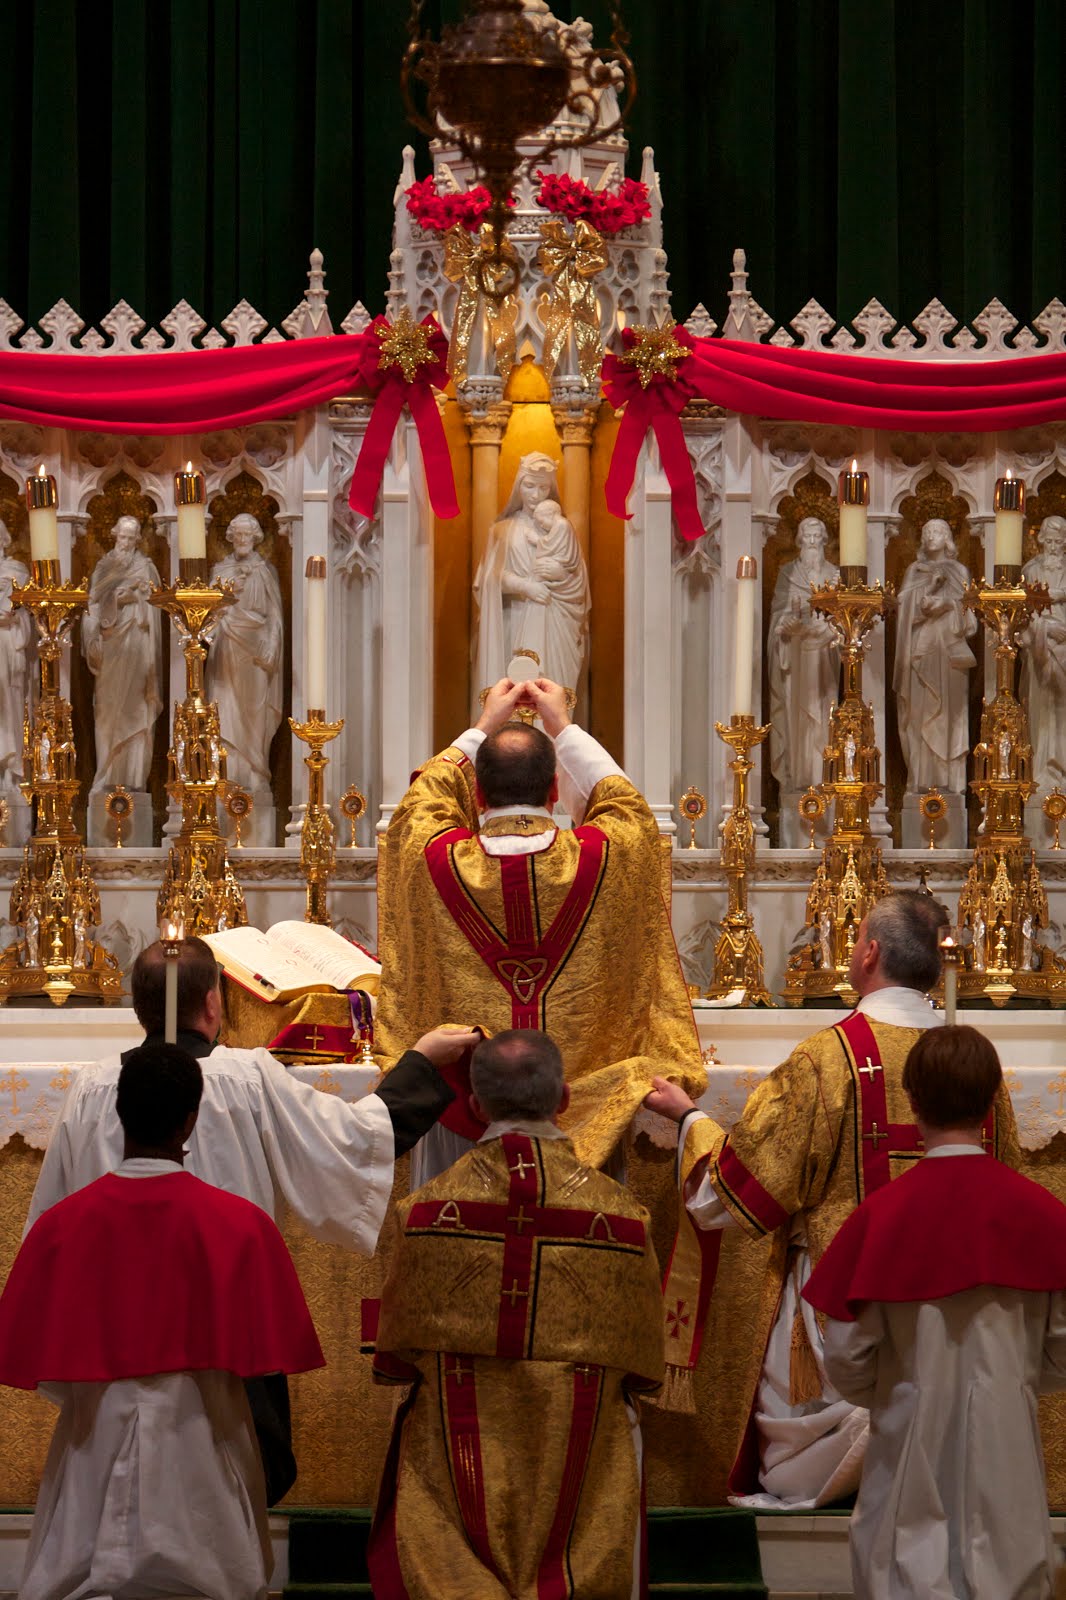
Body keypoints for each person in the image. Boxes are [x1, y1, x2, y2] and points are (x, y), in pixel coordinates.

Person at [28, 934, 476, 1503]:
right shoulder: (247, 1076)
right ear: (214, 1004)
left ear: (138, 1006)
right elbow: (356, 1140)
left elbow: (52, 1225)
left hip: (114, 1331)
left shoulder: (92, 1087)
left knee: (115, 1482)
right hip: (225, 1323)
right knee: (224, 1485)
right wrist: (422, 1062)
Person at [644, 889, 1021, 1509]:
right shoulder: (977, 1065)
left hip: (846, 1312)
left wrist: (690, 1121)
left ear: (870, 951)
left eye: (855, 939)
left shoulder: (828, 1059)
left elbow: (734, 1195)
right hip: (959, 1309)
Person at [0, 1044, 324, 1600]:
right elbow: (271, 1352)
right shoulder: (241, 1226)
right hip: (203, 1430)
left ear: (119, 1115)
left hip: (93, 1435)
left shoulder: (60, 1226)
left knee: (81, 1575)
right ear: (189, 1120)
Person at [367, 1030, 665, 1599]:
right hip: (579, 1455)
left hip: (458, 1456)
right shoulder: (625, 1218)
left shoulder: (423, 1212)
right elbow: (645, 1368)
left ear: (475, 1106)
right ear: (564, 1101)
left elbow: (396, 1363)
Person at [373, 675, 704, 1173]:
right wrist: (563, 726)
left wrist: (484, 724)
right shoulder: (607, 854)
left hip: (468, 1104)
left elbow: (420, 803)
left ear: (477, 795)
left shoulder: (434, 856)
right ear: (555, 787)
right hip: (582, 1107)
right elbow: (628, 806)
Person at [804, 1027, 1066, 1600]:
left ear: (913, 1101)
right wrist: (1013, 1377)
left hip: (909, 1443)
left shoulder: (882, 1217)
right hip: (1008, 1441)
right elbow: (1063, 1351)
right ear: (993, 1099)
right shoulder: (1042, 1214)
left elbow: (846, 1362)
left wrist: (903, 1388)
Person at [473, 453, 590, 694]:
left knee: (553, 686)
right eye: (529, 486)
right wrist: (525, 586)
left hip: (556, 617)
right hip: (514, 617)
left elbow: (580, 584)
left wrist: (561, 574)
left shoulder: (564, 529)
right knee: (515, 687)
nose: (536, 495)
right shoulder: (503, 530)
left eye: (543, 487)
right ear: (518, 486)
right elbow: (488, 579)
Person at [893, 518, 977, 795]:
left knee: (950, 713)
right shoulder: (914, 571)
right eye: (926, 531)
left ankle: (951, 780)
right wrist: (928, 591)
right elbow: (903, 609)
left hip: (950, 650)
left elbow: (971, 616)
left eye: (938, 531)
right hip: (920, 650)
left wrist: (948, 605)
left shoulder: (959, 571)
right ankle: (920, 778)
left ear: (948, 539)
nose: (931, 536)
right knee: (919, 712)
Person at [82, 512, 163, 793]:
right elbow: (91, 605)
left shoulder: (145, 567)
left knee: (137, 706)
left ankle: (133, 778)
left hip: (138, 644)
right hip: (110, 646)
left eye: (131, 538)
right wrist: (113, 602)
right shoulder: (103, 567)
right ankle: (105, 771)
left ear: (137, 539)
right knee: (106, 708)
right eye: (122, 537)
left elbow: (155, 609)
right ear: (115, 535)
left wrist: (136, 599)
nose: (126, 543)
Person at [207, 511, 284, 795]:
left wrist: (273, 643)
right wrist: (223, 605)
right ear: (230, 537)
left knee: (254, 712)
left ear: (255, 538)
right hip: (226, 643)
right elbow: (206, 616)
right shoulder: (219, 570)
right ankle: (226, 775)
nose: (241, 540)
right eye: (237, 535)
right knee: (224, 708)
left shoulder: (265, 571)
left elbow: (275, 615)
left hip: (256, 652)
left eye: (246, 535)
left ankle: (254, 773)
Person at [767, 516, 840, 802]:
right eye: (806, 536)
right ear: (799, 540)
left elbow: (845, 623)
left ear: (824, 540)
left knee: (823, 718)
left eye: (816, 536)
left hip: (824, 658)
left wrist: (829, 627)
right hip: (795, 660)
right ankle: (798, 779)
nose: (811, 541)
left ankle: (823, 779)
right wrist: (787, 625)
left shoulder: (834, 574)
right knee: (797, 722)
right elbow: (778, 616)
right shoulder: (788, 574)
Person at [1022, 514, 1066, 794]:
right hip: (1041, 646)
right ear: (1040, 540)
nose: (1053, 545)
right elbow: (1023, 613)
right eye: (1048, 540)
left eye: (1058, 541)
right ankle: (1043, 769)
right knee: (1041, 708)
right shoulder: (1030, 569)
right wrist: (1046, 629)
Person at [0, 516, 32, 796]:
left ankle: (10, 771)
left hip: (7, 647)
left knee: (10, 707)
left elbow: (19, 613)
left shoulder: (15, 572)